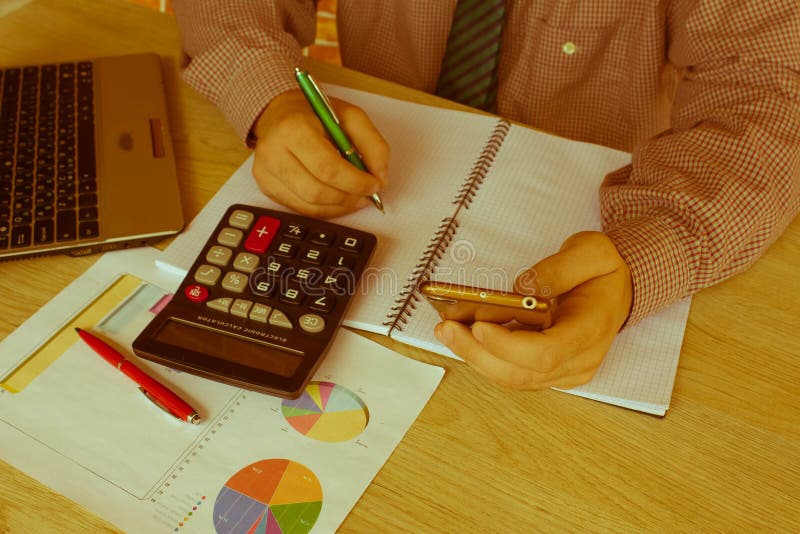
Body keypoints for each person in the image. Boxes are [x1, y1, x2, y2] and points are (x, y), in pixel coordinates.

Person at [171, 1, 800, 390]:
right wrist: (269, 96)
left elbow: (770, 84)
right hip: (387, 171)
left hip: (594, 200)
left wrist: (646, 257)